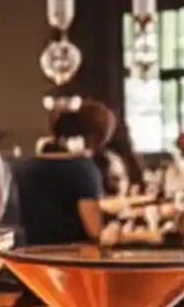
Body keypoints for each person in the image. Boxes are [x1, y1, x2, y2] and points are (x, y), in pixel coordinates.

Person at [9, 100, 112, 246]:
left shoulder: (24, 167)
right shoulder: (84, 170)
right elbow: (94, 231)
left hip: (30, 254)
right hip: (71, 256)